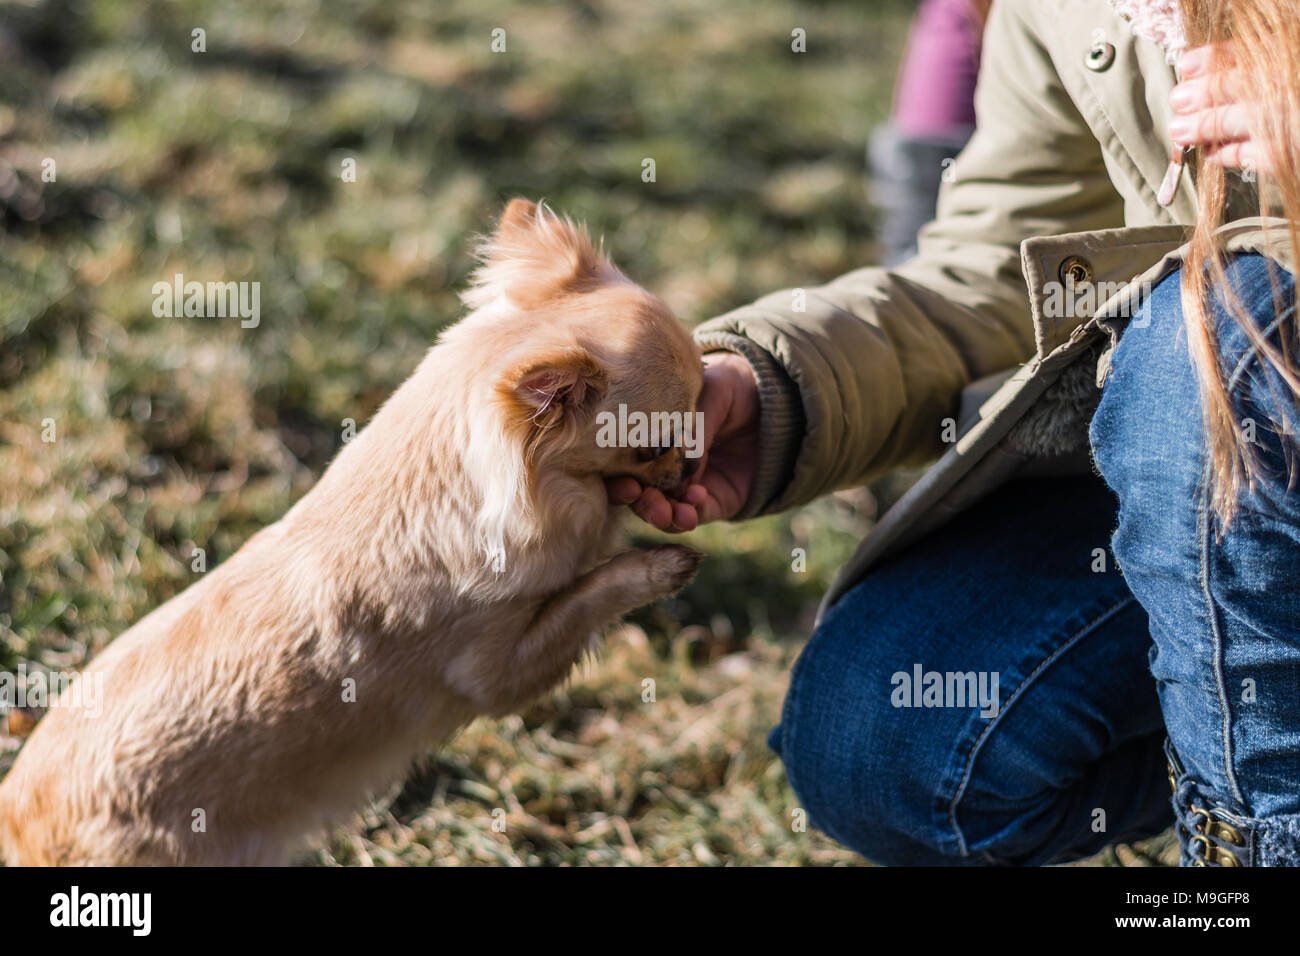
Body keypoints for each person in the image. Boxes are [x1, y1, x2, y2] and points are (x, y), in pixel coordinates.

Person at [608, 0, 1300, 866]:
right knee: (884, 738)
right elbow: (996, 270)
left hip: (1219, 409)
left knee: (1219, 338)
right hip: (1204, 481)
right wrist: (778, 383)